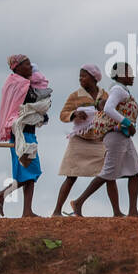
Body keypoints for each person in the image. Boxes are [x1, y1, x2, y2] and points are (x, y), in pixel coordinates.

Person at [70, 62, 138, 217]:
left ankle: (133, 211)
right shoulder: (118, 89)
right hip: (116, 135)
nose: (132, 75)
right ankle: (79, 202)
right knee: (108, 172)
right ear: (121, 75)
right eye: (129, 73)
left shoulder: (122, 90)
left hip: (123, 135)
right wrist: (127, 123)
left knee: (135, 171)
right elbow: (108, 109)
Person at [51, 64, 119, 216]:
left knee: (109, 175)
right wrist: (74, 114)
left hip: (99, 140)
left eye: (84, 76)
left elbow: (113, 112)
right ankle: (56, 211)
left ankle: (117, 211)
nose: (80, 79)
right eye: (79, 76)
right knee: (71, 175)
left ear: (94, 78)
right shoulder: (75, 95)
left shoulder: (105, 95)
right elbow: (63, 114)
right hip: (79, 139)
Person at [0, 54, 50, 217]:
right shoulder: (19, 84)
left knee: (29, 174)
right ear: (17, 67)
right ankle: (1, 195)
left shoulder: (23, 84)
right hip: (20, 135)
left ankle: (26, 211)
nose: (30, 67)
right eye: (27, 64)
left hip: (28, 132)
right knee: (31, 172)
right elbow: (23, 108)